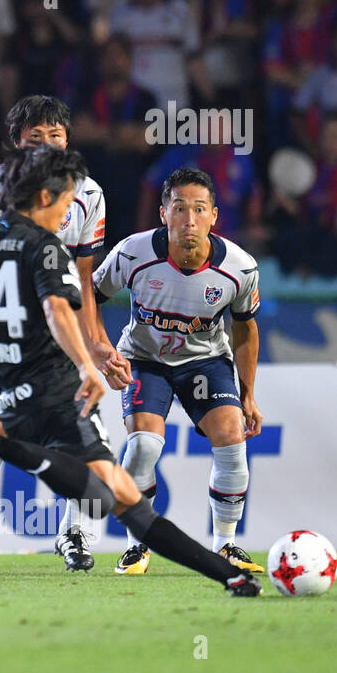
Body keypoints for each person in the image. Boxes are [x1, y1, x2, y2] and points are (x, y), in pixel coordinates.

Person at [0, 146, 260, 598]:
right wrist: (87, 366)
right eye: (65, 202)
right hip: (57, 391)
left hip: (7, 395)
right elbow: (57, 310)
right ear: (43, 197)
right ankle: (227, 574)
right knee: (117, 501)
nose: (68, 213)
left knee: (85, 488)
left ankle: (11, 451)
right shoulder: (47, 250)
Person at [0, 95, 130, 574]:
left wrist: (98, 342)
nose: (47, 146)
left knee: (85, 438)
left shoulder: (88, 194)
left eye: (56, 136)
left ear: (68, 140)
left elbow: (85, 280)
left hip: (59, 337)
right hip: (0, 336)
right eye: (35, 138)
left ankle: (75, 535)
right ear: (14, 144)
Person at [94, 168, 264, 575]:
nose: (189, 219)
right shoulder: (133, 253)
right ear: (163, 213)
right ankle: (138, 545)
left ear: (214, 217)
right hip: (144, 360)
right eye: (180, 208)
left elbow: (245, 327)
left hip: (205, 362)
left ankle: (225, 544)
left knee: (231, 435)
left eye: (199, 209)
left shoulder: (239, 268)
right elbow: (88, 296)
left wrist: (249, 393)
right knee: (144, 447)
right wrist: (101, 351)